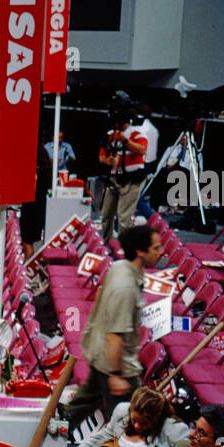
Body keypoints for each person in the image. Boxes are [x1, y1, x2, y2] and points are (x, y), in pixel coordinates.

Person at [65, 224, 164, 427]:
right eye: (156, 248)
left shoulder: (119, 267)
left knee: (80, 406)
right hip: (117, 366)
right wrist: (115, 375)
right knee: (129, 423)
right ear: (140, 251)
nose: (161, 253)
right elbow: (115, 335)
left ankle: (50, 430)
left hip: (101, 356)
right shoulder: (125, 288)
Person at [99, 109, 148, 244]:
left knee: (123, 217)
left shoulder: (137, 133)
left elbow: (142, 150)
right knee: (106, 215)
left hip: (132, 180)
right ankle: (105, 244)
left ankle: (124, 248)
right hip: (114, 178)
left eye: (115, 123)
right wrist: (105, 160)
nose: (113, 126)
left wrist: (125, 141)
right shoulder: (110, 136)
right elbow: (101, 155)